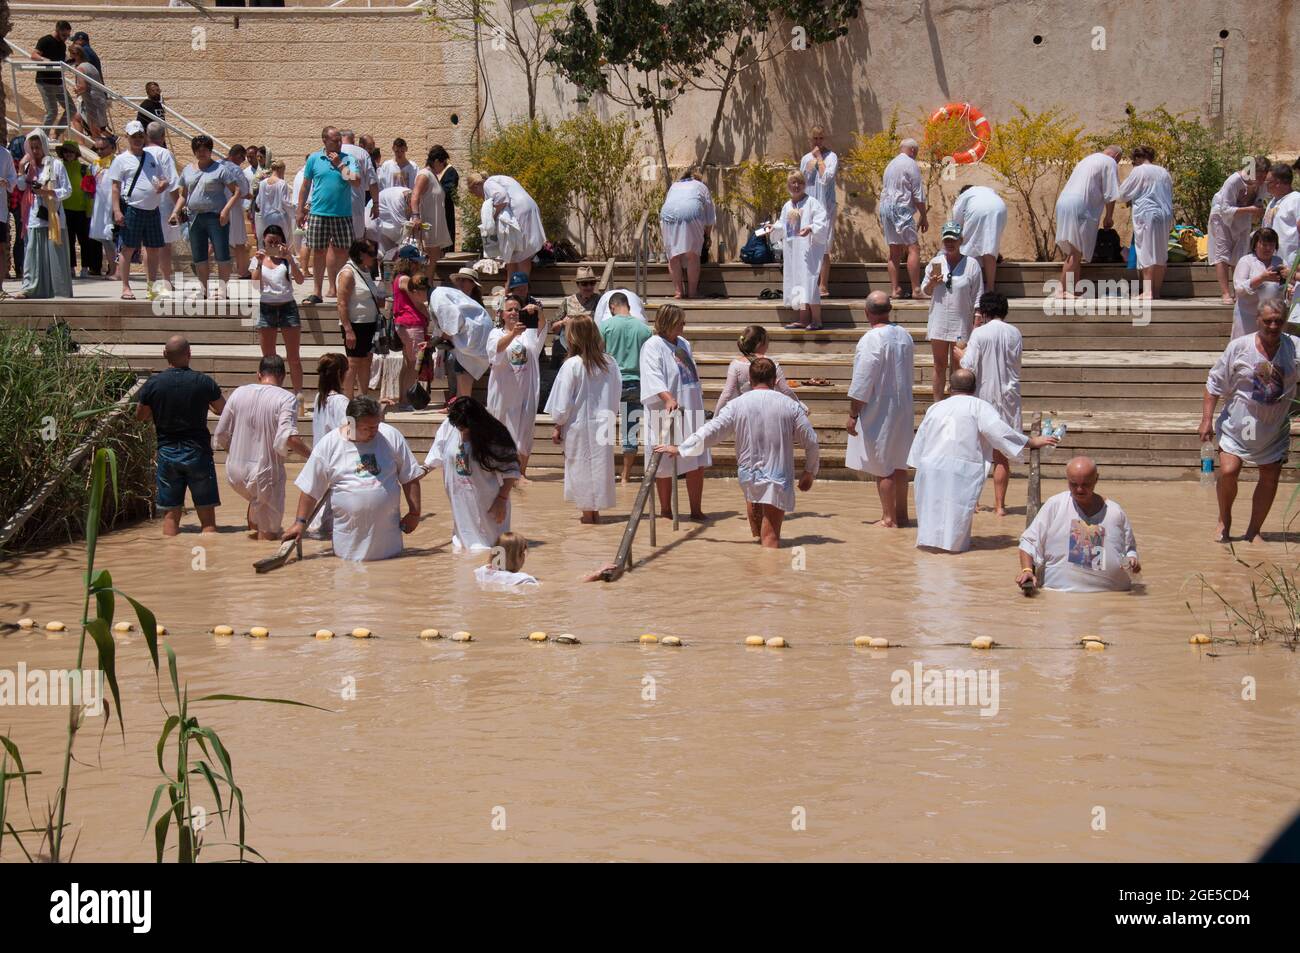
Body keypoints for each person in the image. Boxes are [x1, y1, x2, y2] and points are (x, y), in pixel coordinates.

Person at [657, 357, 819, 548]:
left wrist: (681, 448)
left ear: (750, 380)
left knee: (758, 534)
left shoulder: (737, 405)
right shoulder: (791, 406)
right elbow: (811, 441)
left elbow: (712, 431)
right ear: (775, 380)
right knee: (771, 538)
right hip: (777, 476)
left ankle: (755, 569)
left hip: (748, 474)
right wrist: (809, 471)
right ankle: (768, 573)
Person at [907, 369, 1056, 553]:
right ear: (975, 387)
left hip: (930, 466)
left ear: (949, 387)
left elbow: (920, 440)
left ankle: (929, 557)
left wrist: (917, 465)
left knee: (930, 512)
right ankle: (951, 557)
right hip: (960, 467)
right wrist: (1031, 442)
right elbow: (999, 432)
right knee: (956, 520)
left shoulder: (935, 408)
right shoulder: (979, 406)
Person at [1201, 300, 1297, 543]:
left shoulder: (1294, 348)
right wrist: (1206, 420)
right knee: (1229, 470)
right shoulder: (1239, 347)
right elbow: (1214, 384)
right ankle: (1224, 519)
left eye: (1278, 321)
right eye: (1268, 321)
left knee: (1269, 476)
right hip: (1238, 424)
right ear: (1257, 319)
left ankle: (1254, 531)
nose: (1273, 326)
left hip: (1274, 427)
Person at [283, 395, 423, 560]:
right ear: (350, 422)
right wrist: (300, 522)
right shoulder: (329, 444)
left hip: (389, 547)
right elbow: (310, 489)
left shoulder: (391, 436)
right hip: (347, 549)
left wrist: (414, 513)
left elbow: (410, 477)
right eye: (367, 428)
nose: (374, 432)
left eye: (376, 426)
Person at [134, 335, 225, 536]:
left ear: (164, 355)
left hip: (167, 453)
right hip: (198, 453)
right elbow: (222, 409)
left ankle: (171, 559)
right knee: (208, 520)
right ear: (189, 355)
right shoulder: (203, 382)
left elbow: (140, 416)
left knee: (170, 518)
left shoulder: (153, 384)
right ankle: (210, 555)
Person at [213, 355, 311, 540]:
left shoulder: (239, 392)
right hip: (266, 472)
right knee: (268, 537)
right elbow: (289, 437)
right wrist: (313, 457)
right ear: (283, 376)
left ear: (259, 374)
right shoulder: (287, 399)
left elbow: (220, 434)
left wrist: (234, 452)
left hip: (235, 472)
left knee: (255, 505)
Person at [1018, 456, 1140, 593]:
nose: (1079, 490)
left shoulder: (1115, 512)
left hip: (1112, 597)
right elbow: (1028, 542)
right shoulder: (1055, 505)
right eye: (1074, 484)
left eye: (1085, 484)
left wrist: (1132, 561)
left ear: (1096, 479)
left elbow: (1130, 550)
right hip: (1060, 595)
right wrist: (1027, 570)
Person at [846, 291, 914, 528]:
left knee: (882, 466)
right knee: (899, 464)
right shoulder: (905, 335)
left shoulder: (870, 339)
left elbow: (862, 380)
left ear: (867, 313)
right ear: (889, 309)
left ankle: (888, 518)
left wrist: (853, 414)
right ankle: (902, 515)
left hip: (879, 408)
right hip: (903, 407)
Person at [544, 313, 621, 523]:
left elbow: (562, 403)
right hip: (603, 423)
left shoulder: (572, 365)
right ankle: (594, 515)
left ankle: (588, 519)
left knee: (581, 468)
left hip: (579, 425)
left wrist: (558, 425)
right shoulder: (610, 363)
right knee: (599, 468)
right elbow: (616, 397)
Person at [425, 396, 521, 552]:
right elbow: (437, 454)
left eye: (464, 428)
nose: (461, 432)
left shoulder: (494, 437)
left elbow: (512, 469)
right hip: (460, 504)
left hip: (489, 505)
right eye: (459, 428)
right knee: (463, 552)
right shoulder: (452, 425)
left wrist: (502, 499)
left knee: (491, 549)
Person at [955, 291, 1022, 516]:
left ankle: (973, 503)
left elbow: (968, 366)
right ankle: (1000, 506)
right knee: (1001, 455)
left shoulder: (980, 334)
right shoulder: (1015, 333)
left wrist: (959, 354)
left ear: (983, 312)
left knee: (976, 453)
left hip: (983, 398)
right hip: (1009, 398)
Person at [641, 303, 708, 519]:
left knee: (695, 459)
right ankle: (665, 510)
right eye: (680, 321)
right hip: (665, 410)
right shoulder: (652, 345)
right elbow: (652, 376)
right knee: (664, 461)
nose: (684, 324)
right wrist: (668, 398)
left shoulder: (684, 344)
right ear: (669, 323)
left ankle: (696, 510)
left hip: (692, 407)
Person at [172, 134, 243, 299]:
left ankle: (223, 290)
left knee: (221, 253)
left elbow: (236, 191)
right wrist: (175, 211)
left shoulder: (220, 169)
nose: (201, 152)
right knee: (199, 255)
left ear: (210, 151)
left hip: (216, 216)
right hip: (194, 217)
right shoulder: (188, 170)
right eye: (198, 149)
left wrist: (226, 211)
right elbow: (184, 194)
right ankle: (204, 289)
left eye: (205, 149)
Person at [922, 221, 984, 403]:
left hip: (961, 323)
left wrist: (977, 321)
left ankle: (956, 404)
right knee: (939, 365)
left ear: (961, 240)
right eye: (947, 239)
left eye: (953, 239)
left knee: (959, 366)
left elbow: (978, 294)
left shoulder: (971, 264)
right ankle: (938, 404)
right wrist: (933, 283)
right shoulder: (935, 262)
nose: (950, 243)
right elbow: (925, 290)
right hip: (939, 321)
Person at [297, 126, 359, 304]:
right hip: (318, 213)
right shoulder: (314, 159)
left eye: (340, 140)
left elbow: (356, 181)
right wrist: (300, 210)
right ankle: (317, 292)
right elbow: (305, 186)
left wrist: (340, 165)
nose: (339, 143)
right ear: (324, 140)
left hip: (342, 214)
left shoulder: (348, 159)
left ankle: (340, 288)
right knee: (318, 251)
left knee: (343, 251)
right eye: (335, 140)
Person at [487, 295, 548, 475]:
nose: (513, 313)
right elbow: (495, 351)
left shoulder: (529, 332)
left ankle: (520, 473)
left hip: (526, 391)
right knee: (501, 430)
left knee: (525, 431)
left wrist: (538, 311)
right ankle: (500, 472)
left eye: (516, 309)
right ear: (502, 314)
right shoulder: (495, 333)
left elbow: (543, 327)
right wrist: (513, 334)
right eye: (509, 309)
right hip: (503, 393)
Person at [109, 120, 168, 300]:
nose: (137, 139)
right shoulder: (121, 160)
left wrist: (163, 184)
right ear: (127, 137)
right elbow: (115, 187)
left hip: (152, 209)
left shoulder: (151, 157)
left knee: (153, 249)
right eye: (134, 136)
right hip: (133, 209)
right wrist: (117, 211)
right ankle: (126, 287)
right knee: (127, 248)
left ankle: (152, 287)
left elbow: (162, 178)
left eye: (140, 136)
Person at [600, 290, 654, 484]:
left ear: (612, 306)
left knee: (604, 428)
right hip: (637, 382)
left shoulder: (605, 326)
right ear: (628, 306)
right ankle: (625, 476)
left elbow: (598, 354)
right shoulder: (644, 329)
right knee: (630, 431)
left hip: (611, 383)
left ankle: (605, 474)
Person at [1054, 145, 1121, 297]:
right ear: (1116, 156)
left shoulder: (1087, 159)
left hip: (1064, 202)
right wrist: (1109, 216)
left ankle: (1076, 289)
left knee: (1076, 249)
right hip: (1081, 205)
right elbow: (1111, 194)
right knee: (1076, 251)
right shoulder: (1109, 162)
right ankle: (1061, 290)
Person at [13, 130, 72, 300]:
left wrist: (48, 191)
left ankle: (59, 290)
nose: (35, 151)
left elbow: (67, 190)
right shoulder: (28, 167)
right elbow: (22, 187)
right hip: (35, 216)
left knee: (56, 254)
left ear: (44, 146)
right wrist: (21, 170)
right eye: (32, 148)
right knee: (33, 253)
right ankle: (30, 288)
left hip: (54, 216)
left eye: (38, 147)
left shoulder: (56, 165)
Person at [250, 224, 305, 394]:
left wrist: (289, 259)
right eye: (270, 242)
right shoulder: (257, 259)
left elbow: (300, 280)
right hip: (266, 307)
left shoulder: (288, 259)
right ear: (264, 242)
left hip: (287, 307)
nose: (273, 245)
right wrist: (259, 263)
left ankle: (298, 394)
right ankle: (270, 392)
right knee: (268, 358)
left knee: (293, 357)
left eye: (276, 242)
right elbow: (254, 283)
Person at [775, 170, 830, 330]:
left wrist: (811, 228)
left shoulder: (812, 202)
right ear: (788, 185)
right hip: (793, 251)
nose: (796, 185)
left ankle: (817, 320)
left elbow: (822, 222)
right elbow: (783, 225)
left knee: (809, 283)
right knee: (797, 283)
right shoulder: (787, 205)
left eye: (799, 182)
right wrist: (774, 227)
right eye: (793, 182)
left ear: (805, 185)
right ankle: (803, 319)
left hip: (808, 251)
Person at [1208, 157, 1268, 304]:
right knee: (1222, 254)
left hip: (1243, 219)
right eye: (1259, 176)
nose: (1261, 180)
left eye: (1264, 177)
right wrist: (1251, 209)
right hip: (1222, 219)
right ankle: (1225, 293)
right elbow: (1225, 208)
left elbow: (1259, 201)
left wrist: (1258, 207)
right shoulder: (1234, 181)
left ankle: (1239, 289)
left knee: (1240, 254)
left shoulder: (1261, 184)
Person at [1119, 145, 1175, 299]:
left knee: (1146, 251)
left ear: (1138, 158)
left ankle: (1148, 291)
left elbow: (1123, 194)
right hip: (1165, 214)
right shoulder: (1164, 172)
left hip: (1147, 214)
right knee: (1161, 253)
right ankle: (1155, 291)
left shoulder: (1139, 170)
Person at [430, 269, 493, 399]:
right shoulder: (450, 299)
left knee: (457, 358)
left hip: (469, 345)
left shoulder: (478, 305)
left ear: (472, 284)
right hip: (452, 342)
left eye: (464, 280)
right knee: (451, 358)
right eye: (459, 280)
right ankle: (455, 397)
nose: (460, 283)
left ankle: (460, 399)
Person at [468, 172, 545, 277]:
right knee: (523, 252)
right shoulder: (496, 180)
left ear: (476, 186)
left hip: (520, 211)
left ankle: (520, 288)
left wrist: (492, 218)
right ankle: (518, 286)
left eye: (473, 193)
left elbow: (502, 197)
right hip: (528, 208)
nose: (476, 196)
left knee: (520, 253)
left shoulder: (488, 183)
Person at [307, 352, 350, 539]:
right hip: (336, 461)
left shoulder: (319, 398)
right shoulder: (341, 401)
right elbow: (351, 433)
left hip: (320, 459)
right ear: (341, 373)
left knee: (323, 509)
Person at [879, 139, 928, 299]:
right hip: (901, 209)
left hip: (886, 208)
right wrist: (924, 216)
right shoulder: (911, 164)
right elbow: (917, 194)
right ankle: (916, 290)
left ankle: (895, 290)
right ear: (913, 150)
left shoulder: (890, 164)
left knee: (894, 251)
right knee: (913, 248)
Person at [715, 325, 803, 413]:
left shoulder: (736, 365)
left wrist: (716, 416)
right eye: (768, 341)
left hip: (745, 411)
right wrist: (800, 407)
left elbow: (727, 394)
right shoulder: (770, 363)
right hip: (768, 410)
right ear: (761, 343)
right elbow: (785, 390)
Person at [335, 238, 383, 397]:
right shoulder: (348, 273)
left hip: (370, 324)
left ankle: (364, 397)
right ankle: (347, 399)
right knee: (353, 363)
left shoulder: (366, 270)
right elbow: (341, 303)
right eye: (371, 253)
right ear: (361, 254)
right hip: (355, 324)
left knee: (367, 361)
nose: (374, 257)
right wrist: (348, 329)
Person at [658, 171, 715, 299]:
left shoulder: (674, 186)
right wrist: (707, 235)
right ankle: (692, 293)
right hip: (690, 211)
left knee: (673, 256)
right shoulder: (701, 186)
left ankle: (678, 292)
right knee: (692, 255)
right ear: (697, 178)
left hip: (667, 214)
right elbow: (710, 216)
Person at [799, 125, 839, 297]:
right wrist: (810, 164)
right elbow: (801, 181)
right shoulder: (806, 158)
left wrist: (819, 159)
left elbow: (827, 178)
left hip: (825, 208)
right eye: (815, 138)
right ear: (811, 139)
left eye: (821, 138)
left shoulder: (831, 157)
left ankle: (823, 285)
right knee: (807, 246)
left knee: (823, 247)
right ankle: (809, 283)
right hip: (808, 208)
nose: (818, 141)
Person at [390, 245, 432, 404]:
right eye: (415, 263)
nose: (418, 266)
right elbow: (418, 301)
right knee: (415, 363)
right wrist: (429, 316)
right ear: (409, 262)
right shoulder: (405, 279)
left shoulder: (398, 278)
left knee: (408, 364)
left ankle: (403, 399)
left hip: (404, 323)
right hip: (411, 323)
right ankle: (406, 401)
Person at [144, 122, 181, 290]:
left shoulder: (140, 153)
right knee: (165, 245)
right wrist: (178, 206)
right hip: (164, 205)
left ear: (146, 135)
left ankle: (150, 282)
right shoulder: (165, 154)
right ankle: (166, 281)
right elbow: (172, 182)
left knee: (148, 245)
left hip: (144, 205)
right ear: (163, 137)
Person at [951, 184, 1007, 291]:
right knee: (990, 248)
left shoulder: (963, 196)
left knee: (966, 247)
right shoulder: (987, 190)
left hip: (978, 211)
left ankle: (965, 286)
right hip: (1000, 209)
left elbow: (956, 224)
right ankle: (990, 288)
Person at [1231, 227, 1285, 339]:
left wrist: (1288, 289)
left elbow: (1285, 285)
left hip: (1272, 317)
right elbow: (1239, 289)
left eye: (1271, 245)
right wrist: (1262, 278)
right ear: (1255, 245)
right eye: (1264, 245)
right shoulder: (1246, 261)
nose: (1268, 248)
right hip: (1247, 316)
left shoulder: (1279, 262)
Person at [55, 140, 98, 279]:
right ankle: (71, 267)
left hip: (81, 210)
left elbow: (89, 191)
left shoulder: (84, 169)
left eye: (71, 152)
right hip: (65, 209)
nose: (68, 154)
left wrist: (89, 209)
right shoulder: (59, 167)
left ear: (76, 154)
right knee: (69, 240)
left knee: (84, 240)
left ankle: (85, 267)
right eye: (66, 151)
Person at [340, 131, 379, 248]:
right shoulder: (362, 153)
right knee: (356, 245)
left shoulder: (331, 152)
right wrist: (376, 204)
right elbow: (372, 182)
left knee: (336, 247)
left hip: (333, 209)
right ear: (353, 139)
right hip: (356, 207)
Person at [32, 21, 72, 138]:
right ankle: (42, 138)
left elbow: (61, 60)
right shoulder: (45, 40)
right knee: (52, 112)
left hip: (58, 82)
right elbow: (34, 55)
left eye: (68, 36)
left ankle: (56, 134)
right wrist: (45, 60)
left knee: (71, 109)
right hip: (45, 82)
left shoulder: (62, 45)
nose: (66, 38)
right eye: (64, 35)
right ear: (57, 30)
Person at [1262, 163, 1300, 268]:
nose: (1265, 185)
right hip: (1272, 263)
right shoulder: (1272, 202)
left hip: (1291, 263)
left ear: (1278, 183)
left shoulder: (1296, 199)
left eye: (1268, 182)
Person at [68, 45, 107, 139]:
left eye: (70, 54)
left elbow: (83, 87)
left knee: (95, 130)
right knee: (77, 118)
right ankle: (81, 143)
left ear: (75, 55)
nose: (69, 57)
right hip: (98, 98)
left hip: (91, 101)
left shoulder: (80, 68)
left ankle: (104, 143)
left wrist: (76, 90)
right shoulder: (91, 66)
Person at [254, 158, 292, 243]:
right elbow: (285, 202)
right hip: (279, 217)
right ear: (281, 169)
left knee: (269, 242)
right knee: (281, 241)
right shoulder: (282, 183)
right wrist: (294, 209)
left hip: (266, 217)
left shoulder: (263, 183)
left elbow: (258, 202)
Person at [429, 145, 458, 251]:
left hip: (445, 211)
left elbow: (447, 191)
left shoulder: (450, 172)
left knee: (446, 241)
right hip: (436, 212)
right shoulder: (433, 172)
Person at [0, 139, 16, 297]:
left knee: (1, 248)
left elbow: (13, 178)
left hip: (0, 210)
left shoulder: (5, 154)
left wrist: (7, 182)